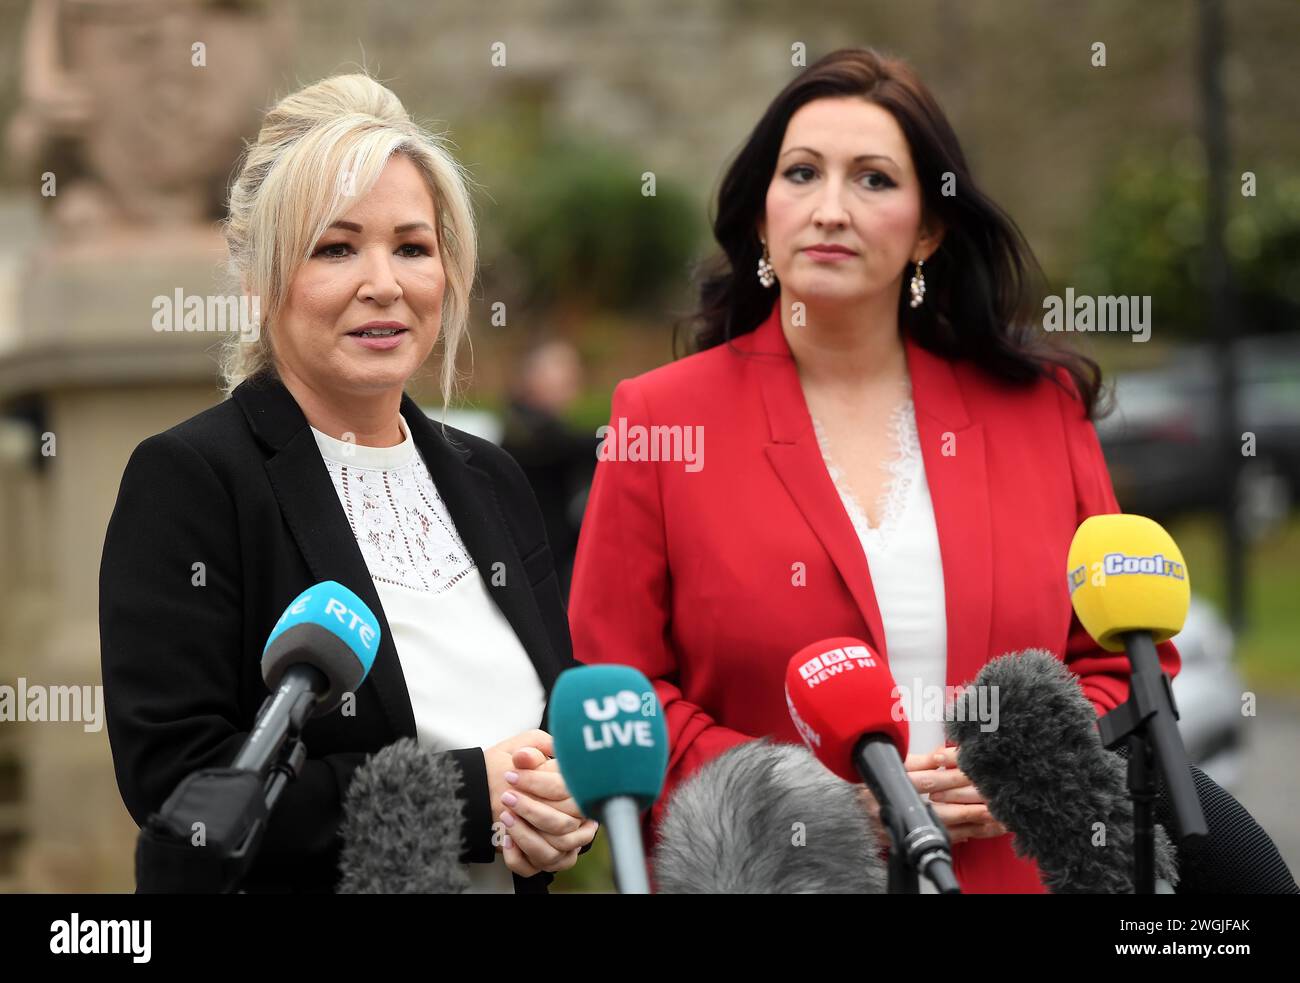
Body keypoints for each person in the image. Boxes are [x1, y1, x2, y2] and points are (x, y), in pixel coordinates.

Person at [567, 48, 1180, 893]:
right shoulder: (660, 417)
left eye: (874, 180)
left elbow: (1125, 663)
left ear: (929, 227)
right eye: (802, 173)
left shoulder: (1040, 410)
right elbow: (621, 689)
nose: (830, 209)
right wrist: (798, 802)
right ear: (761, 214)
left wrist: (1029, 774)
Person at [99, 74, 596, 893]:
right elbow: (183, 790)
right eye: (336, 247)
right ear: (263, 279)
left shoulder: (495, 478)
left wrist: (562, 803)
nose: (384, 283)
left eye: (411, 246)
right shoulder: (191, 480)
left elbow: (548, 733)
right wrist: (470, 797)